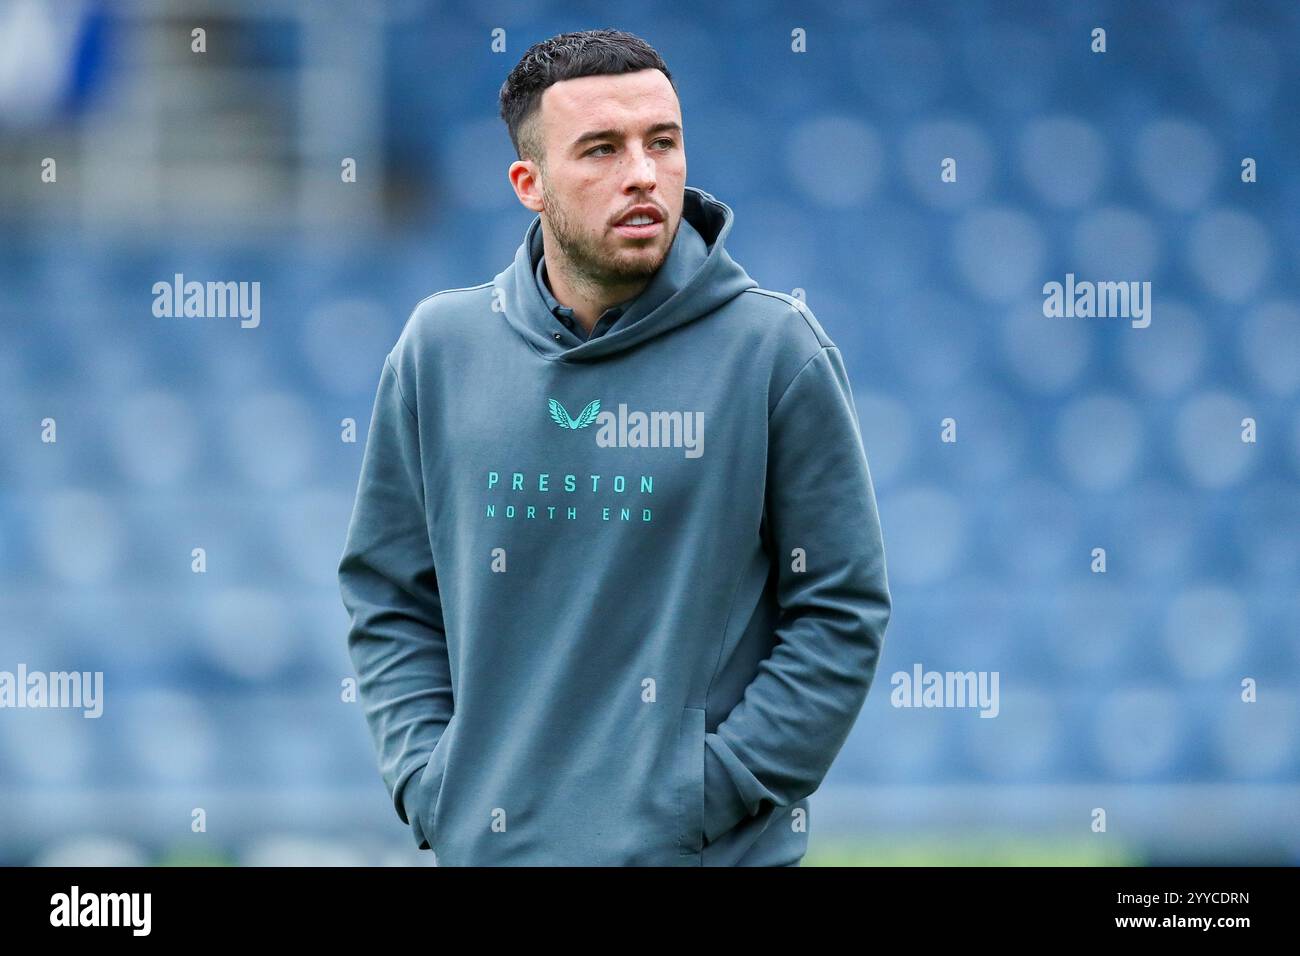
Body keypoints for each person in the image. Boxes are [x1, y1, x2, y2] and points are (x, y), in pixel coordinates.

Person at [337, 28, 891, 866]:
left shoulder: (775, 351)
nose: (643, 174)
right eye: (601, 149)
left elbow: (840, 610)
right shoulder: (438, 350)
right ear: (530, 183)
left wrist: (710, 791)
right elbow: (389, 595)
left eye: (661, 143)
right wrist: (433, 784)